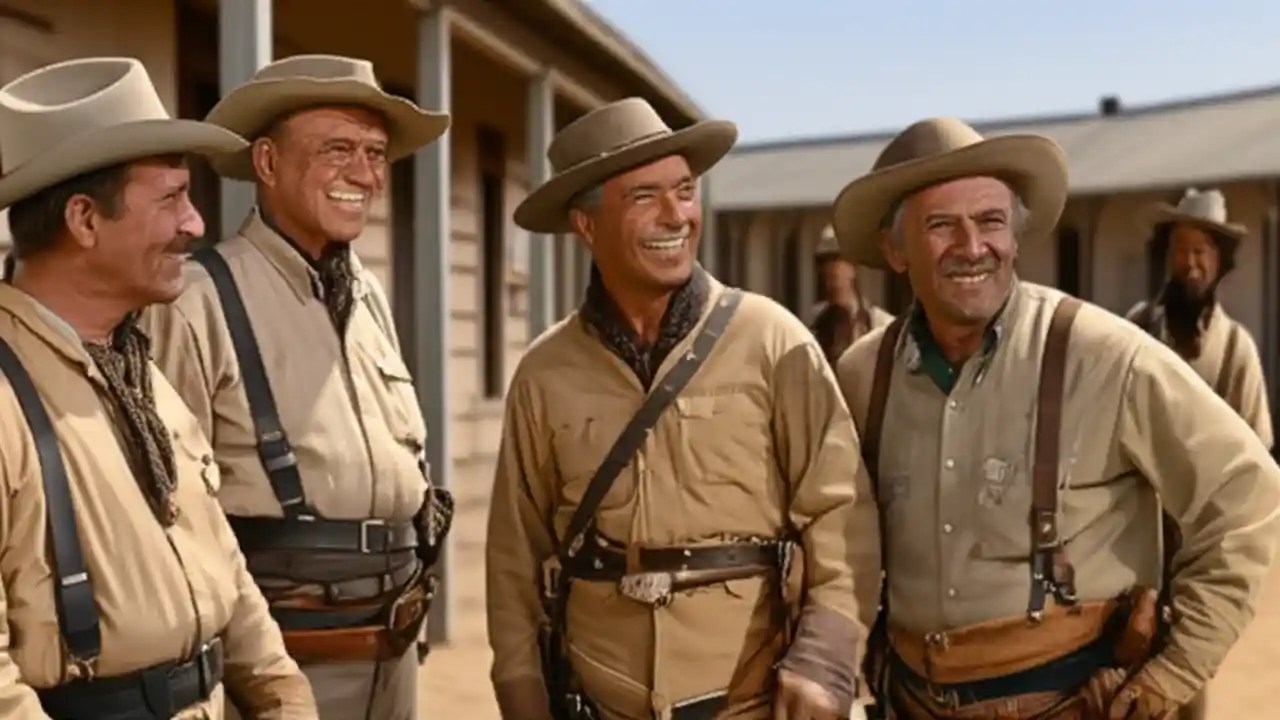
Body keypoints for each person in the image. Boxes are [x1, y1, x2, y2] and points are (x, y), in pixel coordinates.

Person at [831, 117, 1280, 719]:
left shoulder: (1105, 356)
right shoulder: (864, 376)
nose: (971, 247)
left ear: (1016, 238)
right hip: (908, 701)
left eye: (990, 221)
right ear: (894, 249)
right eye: (941, 225)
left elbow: (1245, 493)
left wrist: (1174, 670)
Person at [486, 97, 881, 720]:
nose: (677, 215)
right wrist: (521, 691)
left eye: (685, 191)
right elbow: (514, 557)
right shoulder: (543, 372)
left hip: (750, 704)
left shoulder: (772, 340)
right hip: (596, 704)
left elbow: (841, 511)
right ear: (586, 225)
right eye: (644, 197)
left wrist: (827, 660)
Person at [0, 56, 316, 718]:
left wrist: (282, 690)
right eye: (171, 197)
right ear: (84, 220)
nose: (195, 224)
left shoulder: (138, 368)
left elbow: (219, 558)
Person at [142, 54, 453, 720]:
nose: (364, 175)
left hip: (393, 652)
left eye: (375, 153)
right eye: (337, 150)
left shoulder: (367, 292)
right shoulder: (196, 302)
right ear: (267, 163)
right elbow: (164, 518)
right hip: (282, 667)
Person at [1126, 187, 1272, 447]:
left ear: (1219, 261)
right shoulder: (1138, 327)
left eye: (1200, 250)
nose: (1190, 262)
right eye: (1181, 249)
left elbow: (1255, 449)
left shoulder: (1235, 348)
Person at [808, 224, 894, 367]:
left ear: (853, 266)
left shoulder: (880, 325)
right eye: (826, 262)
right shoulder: (815, 325)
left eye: (839, 260)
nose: (834, 269)